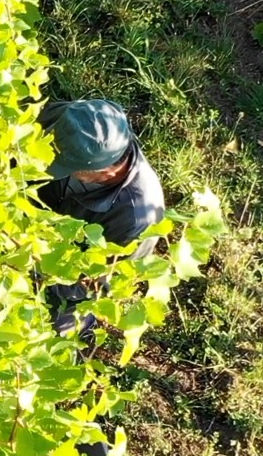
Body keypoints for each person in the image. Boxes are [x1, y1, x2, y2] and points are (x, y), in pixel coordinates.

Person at [35, 98, 166, 334]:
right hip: (24, 221)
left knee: (54, 326)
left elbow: (95, 283)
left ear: (107, 171)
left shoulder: (137, 218)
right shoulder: (74, 121)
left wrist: (38, 264)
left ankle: (79, 332)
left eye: (66, 167)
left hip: (64, 275)